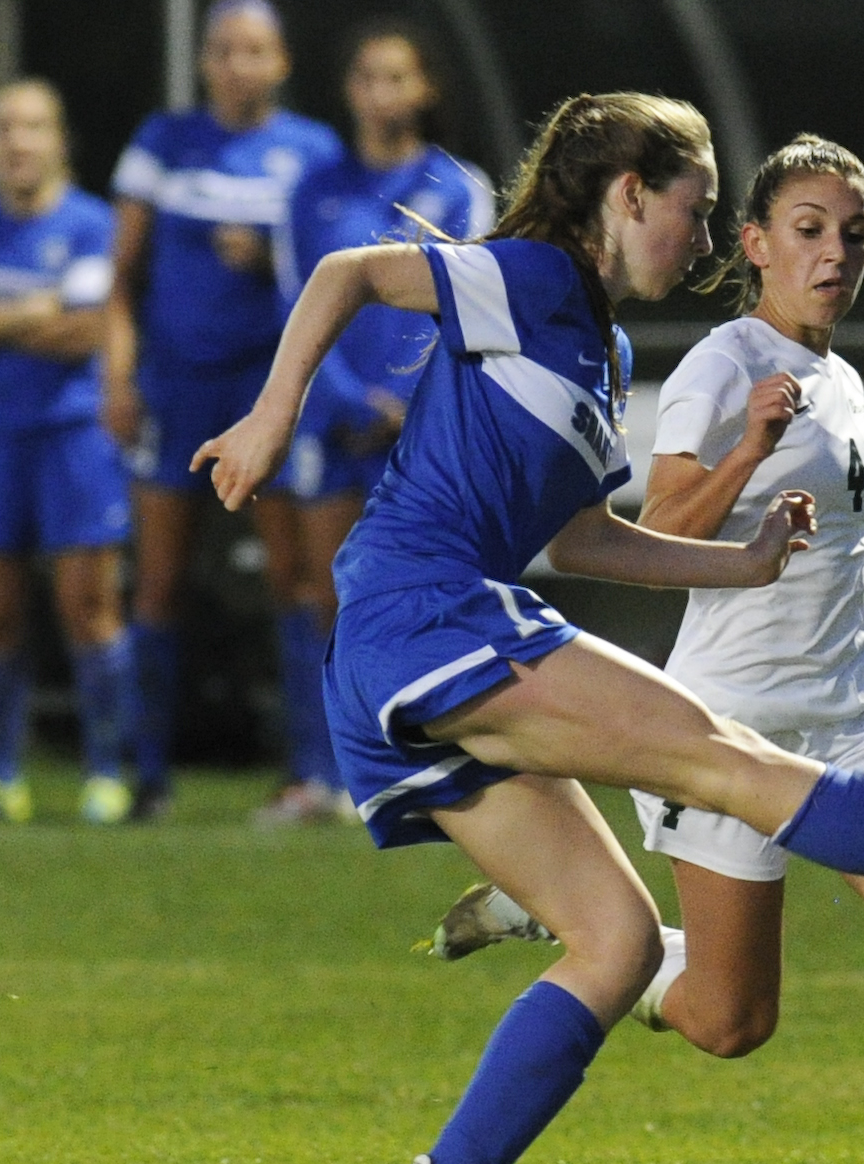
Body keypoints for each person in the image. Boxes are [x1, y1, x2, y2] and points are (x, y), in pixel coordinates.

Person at [190, 93, 864, 1164]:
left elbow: (586, 540)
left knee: (622, 943)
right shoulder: (531, 276)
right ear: (628, 197)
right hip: (426, 615)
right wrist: (272, 421)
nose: (697, 239)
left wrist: (745, 560)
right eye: (691, 212)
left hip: (436, 633)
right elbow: (345, 273)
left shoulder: (600, 345)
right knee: (730, 762)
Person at [430, 135, 864, 1164]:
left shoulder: (837, 379)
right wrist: (746, 450)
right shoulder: (722, 366)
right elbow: (655, 528)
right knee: (731, 1021)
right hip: (730, 726)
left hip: (859, 705)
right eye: (806, 230)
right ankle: (580, 925)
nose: (830, 252)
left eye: (849, 234)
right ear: (753, 245)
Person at [103, 0, 342, 818]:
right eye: (224, 50)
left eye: (255, 50)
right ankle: (145, 777)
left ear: (280, 63)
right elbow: (121, 275)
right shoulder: (163, 142)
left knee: (296, 575)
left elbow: (332, 269)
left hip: (268, 388)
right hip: (175, 384)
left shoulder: (313, 153)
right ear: (205, 62)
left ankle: (315, 772)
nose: (239, 64)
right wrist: (119, 374)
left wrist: (267, 256)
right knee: (159, 580)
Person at [265, 18, 493, 824]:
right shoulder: (309, 189)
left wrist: (416, 408)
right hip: (334, 424)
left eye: (397, 78)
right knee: (318, 593)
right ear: (348, 89)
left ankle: (435, 771)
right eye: (368, 77)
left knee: (425, 596)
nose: (381, 93)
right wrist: (354, 403)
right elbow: (297, 304)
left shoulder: (461, 188)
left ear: (424, 88)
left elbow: (479, 311)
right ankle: (321, 775)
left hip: (424, 435)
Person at [0, 80, 135, 824]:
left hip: (73, 431)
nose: (17, 141)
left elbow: (84, 331)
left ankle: (107, 773)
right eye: (2, 127)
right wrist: (36, 308)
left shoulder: (90, 223)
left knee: (90, 608)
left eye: (31, 127)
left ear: (58, 141)